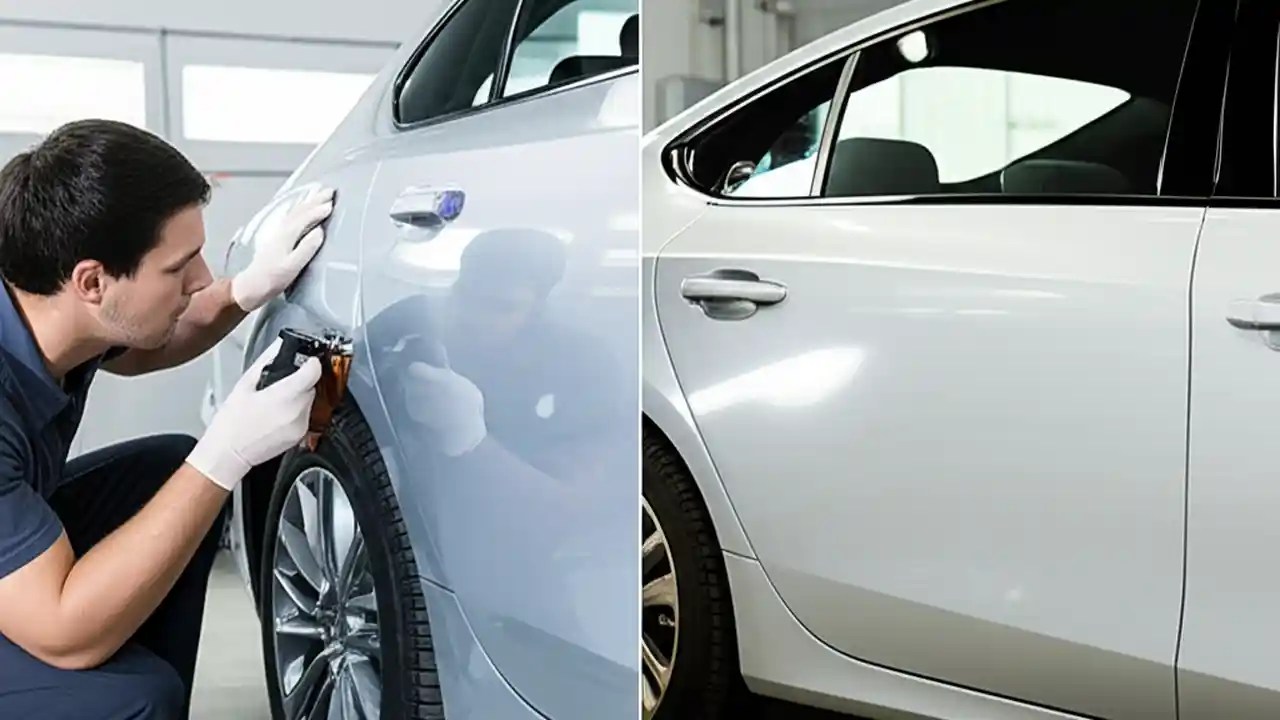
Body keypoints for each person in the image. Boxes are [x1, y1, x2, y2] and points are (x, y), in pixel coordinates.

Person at [0, 119, 332, 719]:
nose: (201, 278)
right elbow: (63, 632)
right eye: (179, 268)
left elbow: (149, 342)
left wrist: (245, 290)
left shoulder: (47, 302)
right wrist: (225, 453)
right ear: (93, 281)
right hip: (38, 609)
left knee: (164, 473)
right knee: (134, 698)